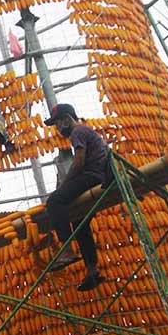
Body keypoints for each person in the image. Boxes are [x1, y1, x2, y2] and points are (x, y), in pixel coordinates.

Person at [43, 103, 112, 291]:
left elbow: (79, 161)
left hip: (92, 175)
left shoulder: (77, 132)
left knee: (54, 201)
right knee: (79, 221)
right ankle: (92, 269)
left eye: (58, 123)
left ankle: (67, 250)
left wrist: (64, 184)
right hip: (98, 175)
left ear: (67, 119)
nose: (58, 128)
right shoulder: (85, 131)